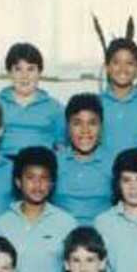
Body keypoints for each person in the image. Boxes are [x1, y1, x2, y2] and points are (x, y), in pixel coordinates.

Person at [0, 146, 79, 272]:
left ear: (52, 183)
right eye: (30, 177)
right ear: (18, 182)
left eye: (44, 178)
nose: (37, 184)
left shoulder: (67, 223)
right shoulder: (1, 225)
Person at [0, 42, 67, 157]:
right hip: (5, 166)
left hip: (40, 166)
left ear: (39, 73)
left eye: (31, 69)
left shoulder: (55, 108)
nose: (25, 75)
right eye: (18, 69)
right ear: (9, 73)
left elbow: (61, 146)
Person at [55, 93, 114, 226]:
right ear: (67, 126)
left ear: (101, 126)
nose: (85, 130)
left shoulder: (114, 164)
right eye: (77, 123)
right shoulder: (54, 163)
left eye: (92, 123)